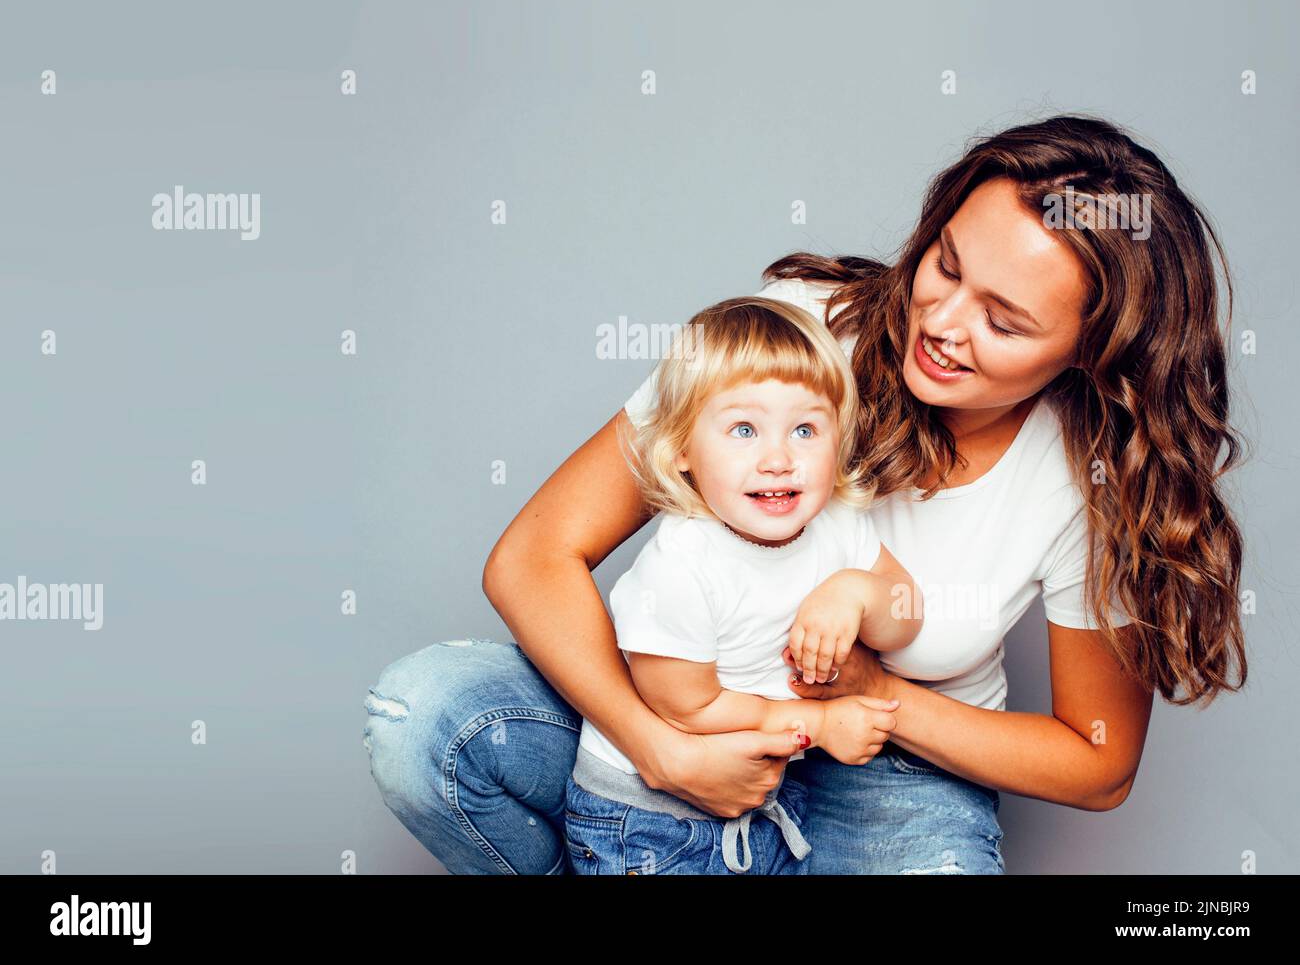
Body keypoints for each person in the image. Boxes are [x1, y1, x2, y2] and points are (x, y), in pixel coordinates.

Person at [363, 114, 1246, 874]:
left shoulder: (1094, 469)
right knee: (423, 715)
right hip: (691, 722)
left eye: (1003, 320)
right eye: (944, 265)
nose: (940, 323)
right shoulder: (804, 331)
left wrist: (865, 696)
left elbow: (1097, 762)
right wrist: (661, 750)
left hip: (892, 778)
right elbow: (534, 556)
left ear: (1088, 353)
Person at [565, 296, 920, 874]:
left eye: (805, 428)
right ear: (682, 448)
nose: (778, 458)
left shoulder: (836, 527)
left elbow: (906, 616)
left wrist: (856, 592)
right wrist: (821, 726)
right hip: (648, 823)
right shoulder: (682, 566)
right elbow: (689, 711)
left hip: (762, 791)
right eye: (744, 429)